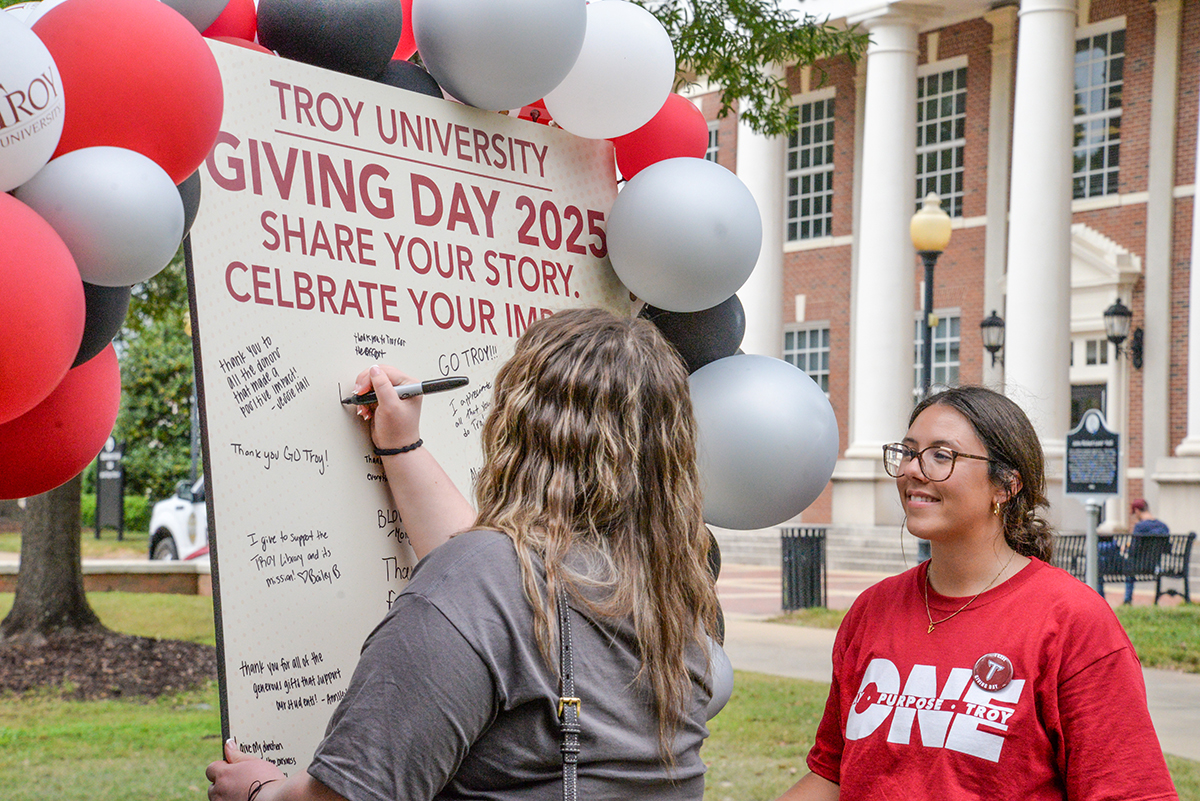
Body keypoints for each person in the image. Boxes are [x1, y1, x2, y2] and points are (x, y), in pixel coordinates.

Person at [206, 307, 721, 801]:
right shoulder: (673, 588)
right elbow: (495, 586)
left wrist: (259, 791)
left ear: (518, 425)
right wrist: (401, 445)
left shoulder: (481, 579)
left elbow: (348, 796)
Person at [778, 386, 1177, 801]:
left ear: (1005, 486)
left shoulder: (1071, 621)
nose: (913, 469)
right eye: (909, 452)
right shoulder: (872, 609)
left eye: (941, 455)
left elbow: (1133, 791)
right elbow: (833, 772)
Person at [1123, 499, 1171, 605]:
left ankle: (1127, 600)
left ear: (1137, 511)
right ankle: (1156, 600)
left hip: (1137, 566)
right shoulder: (1163, 526)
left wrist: (1125, 548)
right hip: (1155, 566)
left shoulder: (1140, 527)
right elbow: (1167, 549)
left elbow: (1134, 550)